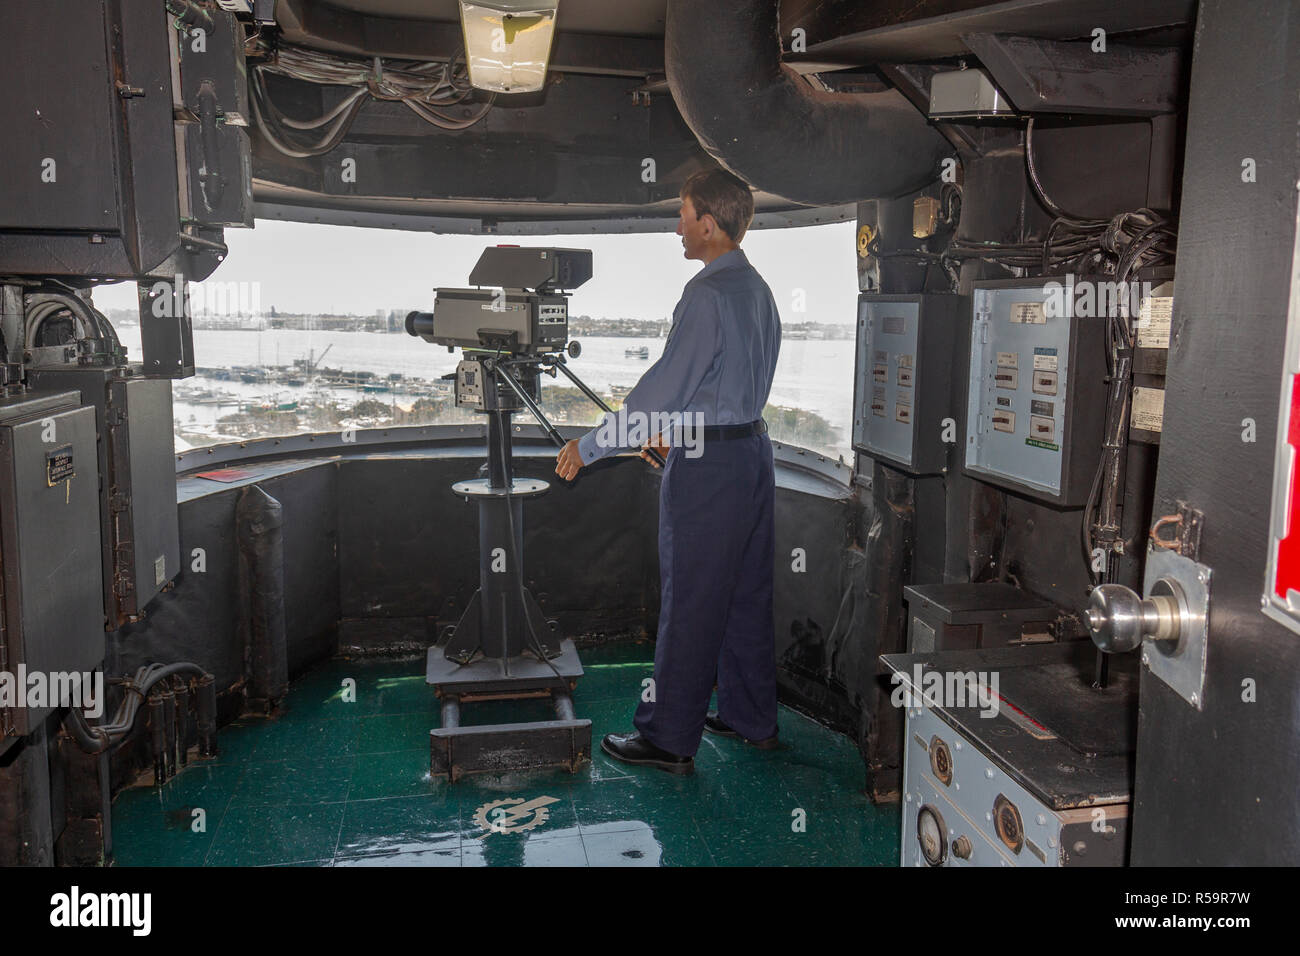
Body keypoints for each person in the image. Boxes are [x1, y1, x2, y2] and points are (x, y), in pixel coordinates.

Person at [554, 168, 782, 774]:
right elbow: (727, 392)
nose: (677, 226)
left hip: (708, 472)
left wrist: (591, 446)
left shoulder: (705, 293)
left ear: (709, 224)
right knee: (746, 595)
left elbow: (664, 391)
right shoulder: (757, 291)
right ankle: (749, 717)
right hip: (753, 455)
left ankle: (668, 736)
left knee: (690, 601)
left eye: (683, 215)